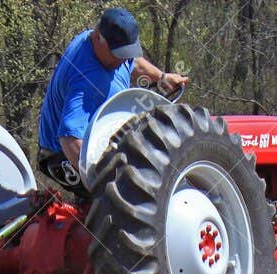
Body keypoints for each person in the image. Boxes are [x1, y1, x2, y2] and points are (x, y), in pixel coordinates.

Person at [36, 8, 190, 191]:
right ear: (98, 38)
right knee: (127, 198)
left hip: (99, 140)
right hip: (61, 157)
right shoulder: (85, 80)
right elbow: (69, 138)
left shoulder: (98, 44)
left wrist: (161, 77)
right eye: (119, 54)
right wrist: (106, 183)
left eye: (127, 52)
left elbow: (133, 63)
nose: (122, 60)